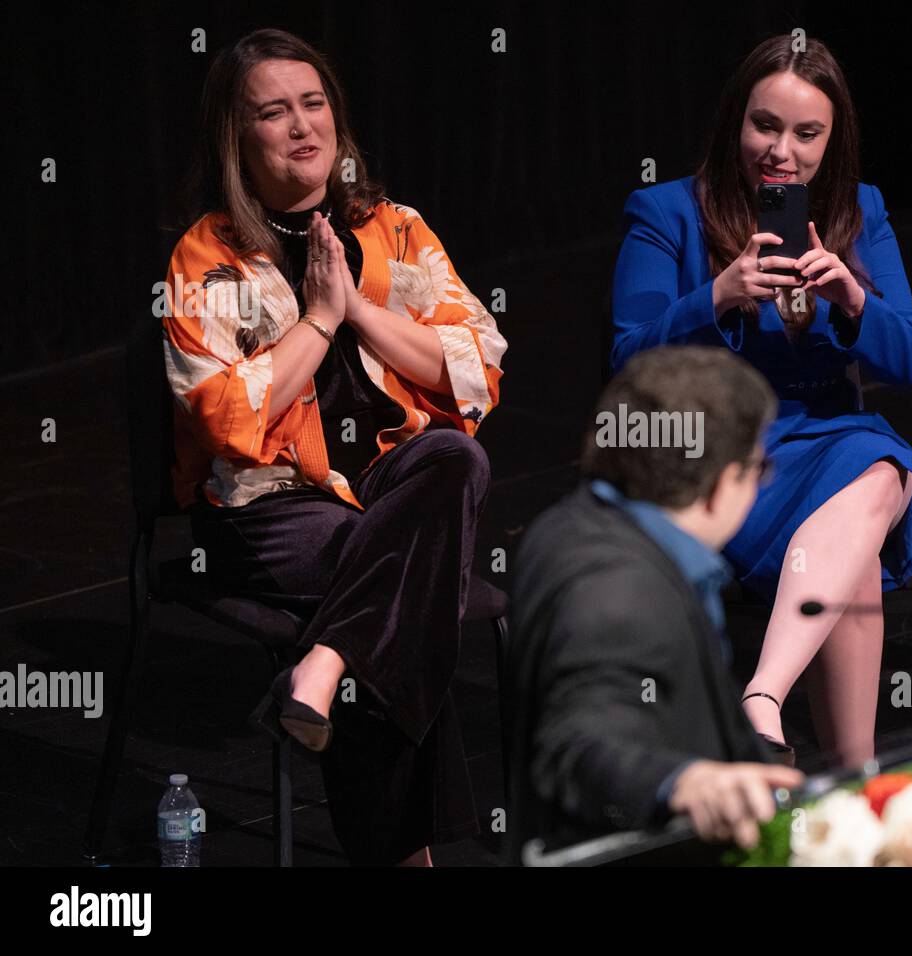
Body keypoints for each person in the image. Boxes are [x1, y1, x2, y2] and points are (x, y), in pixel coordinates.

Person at [160, 28, 507, 866]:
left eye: (313, 104)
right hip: (269, 504)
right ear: (236, 139)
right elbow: (226, 419)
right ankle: (408, 859)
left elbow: (475, 364)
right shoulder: (206, 261)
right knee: (399, 579)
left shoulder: (394, 230)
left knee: (457, 460)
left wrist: (354, 309)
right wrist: (317, 318)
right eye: (273, 114)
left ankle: (320, 664)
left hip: (389, 479)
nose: (302, 126)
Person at [610, 35, 912, 767]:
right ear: (736, 122)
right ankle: (853, 784)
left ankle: (763, 701)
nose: (782, 152)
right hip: (709, 458)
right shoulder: (666, 211)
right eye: (765, 125)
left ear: (833, 140)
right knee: (870, 507)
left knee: (877, 465)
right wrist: (715, 299)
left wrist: (855, 300)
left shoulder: (861, 212)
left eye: (806, 133)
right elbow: (626, 363)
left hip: (827, 440)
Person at [507, 346, 805, 861]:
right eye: (758, 468)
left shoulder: (570, 523)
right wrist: (681, 781)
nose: (762, 483)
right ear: (719, 486)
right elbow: (580, 741)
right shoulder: (619, 592)